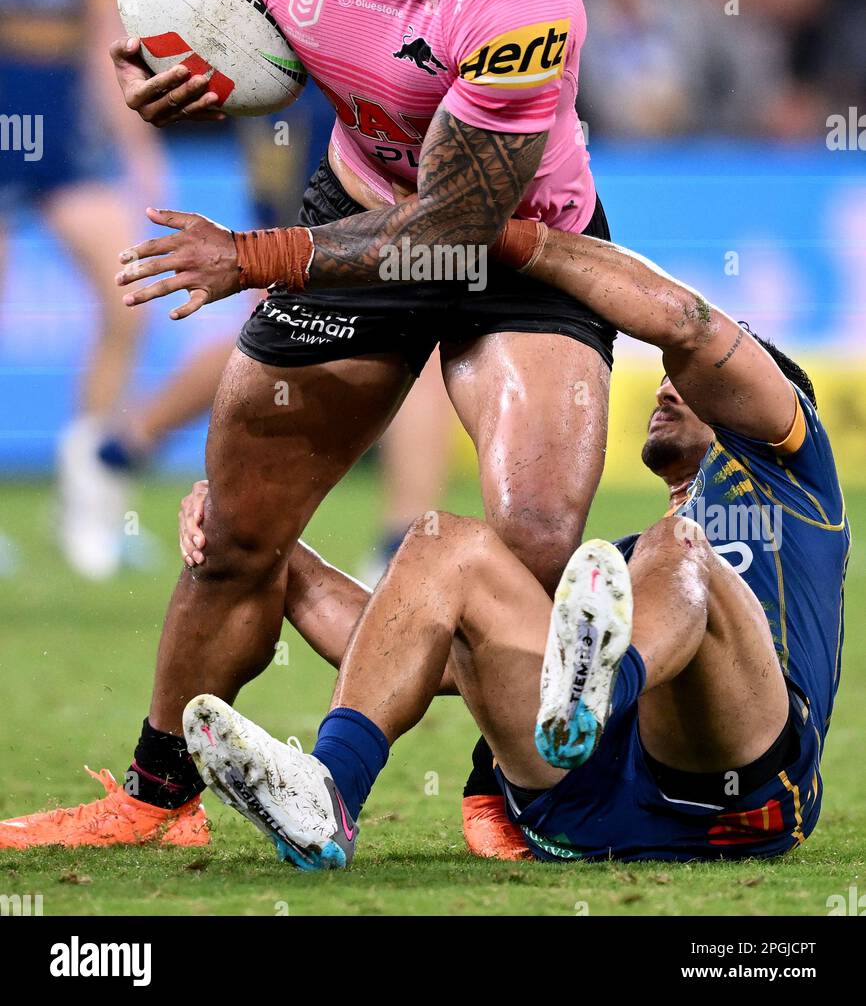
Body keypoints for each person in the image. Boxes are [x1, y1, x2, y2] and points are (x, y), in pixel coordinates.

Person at [0, 0, 617, 846]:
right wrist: (165, 61)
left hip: (519, 242)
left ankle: (504, 789)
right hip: (356, 205)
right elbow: (212, 6)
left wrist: (252, 256)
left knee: (529, 535)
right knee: (236, 534)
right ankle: (154, 795)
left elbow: (449, 227)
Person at [180, 223, 849, 867]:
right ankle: (327, 790)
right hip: (583, 809)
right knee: (446, 544)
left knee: (680, 552)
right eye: (668, 379)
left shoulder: (791, 473)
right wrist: (257, 540)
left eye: (696, 385)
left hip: (739, 796)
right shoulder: (615, 580)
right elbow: (439, 653)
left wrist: (514, 236)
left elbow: (693, 327)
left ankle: (594, 696)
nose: (668, 387)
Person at [0, 0, 161, 578]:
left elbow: (107, 34)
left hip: (61, 131)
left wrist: (138, 142)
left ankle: (85, 488)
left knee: (125, 297)